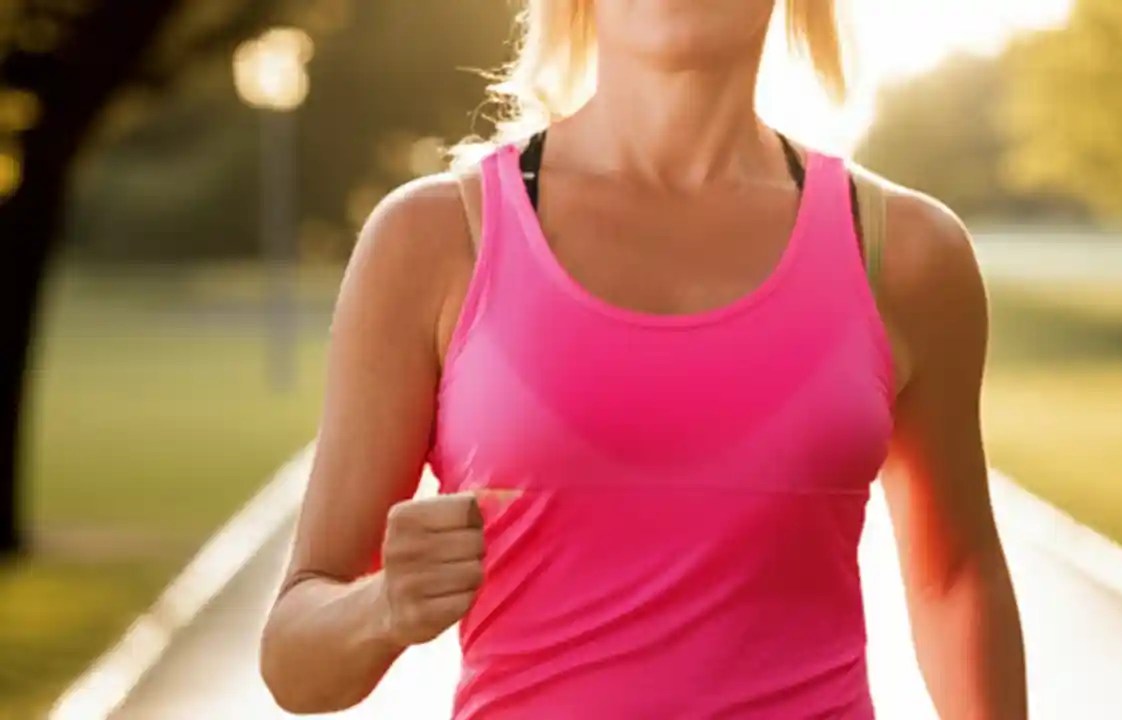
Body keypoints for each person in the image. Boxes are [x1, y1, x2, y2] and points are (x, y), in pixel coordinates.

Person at [258, 1, 1027, 718]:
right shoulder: (431, 241)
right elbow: (295, 659)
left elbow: (956, 578)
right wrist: (384, 605)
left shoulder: (906, 255)